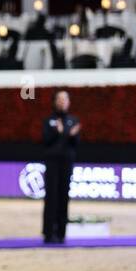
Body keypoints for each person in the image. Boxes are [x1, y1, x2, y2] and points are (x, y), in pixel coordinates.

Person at [42, 89, 80, 244]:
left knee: (64, 197)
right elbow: (46, 141)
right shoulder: (49, 120)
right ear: (55, 101)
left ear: (69, 102)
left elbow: (75, 143)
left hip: (67, 164)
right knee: (51, 197)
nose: (62, 102)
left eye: (65, 99)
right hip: (52, 164)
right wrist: (62, 133)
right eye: (60, 99)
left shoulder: (73, 120)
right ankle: (49, 232)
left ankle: (62, 233)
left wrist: (65, 133)